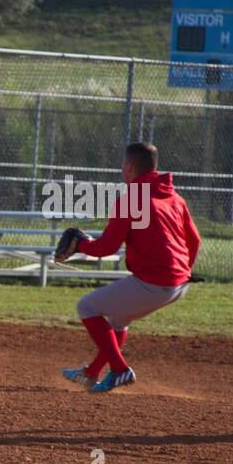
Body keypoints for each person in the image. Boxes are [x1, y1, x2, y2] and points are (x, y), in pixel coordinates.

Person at [60, 141, 200, 393]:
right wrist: (184, 270)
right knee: (117, 321)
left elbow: (106, 248)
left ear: (129, 166)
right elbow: (194, 240)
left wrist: (80, 247)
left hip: (155, 283)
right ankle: (91, 374)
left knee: (87, 306)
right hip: (180, 284)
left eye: (123, 164)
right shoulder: (174, 198)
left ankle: (119, 369)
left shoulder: (132, 199)